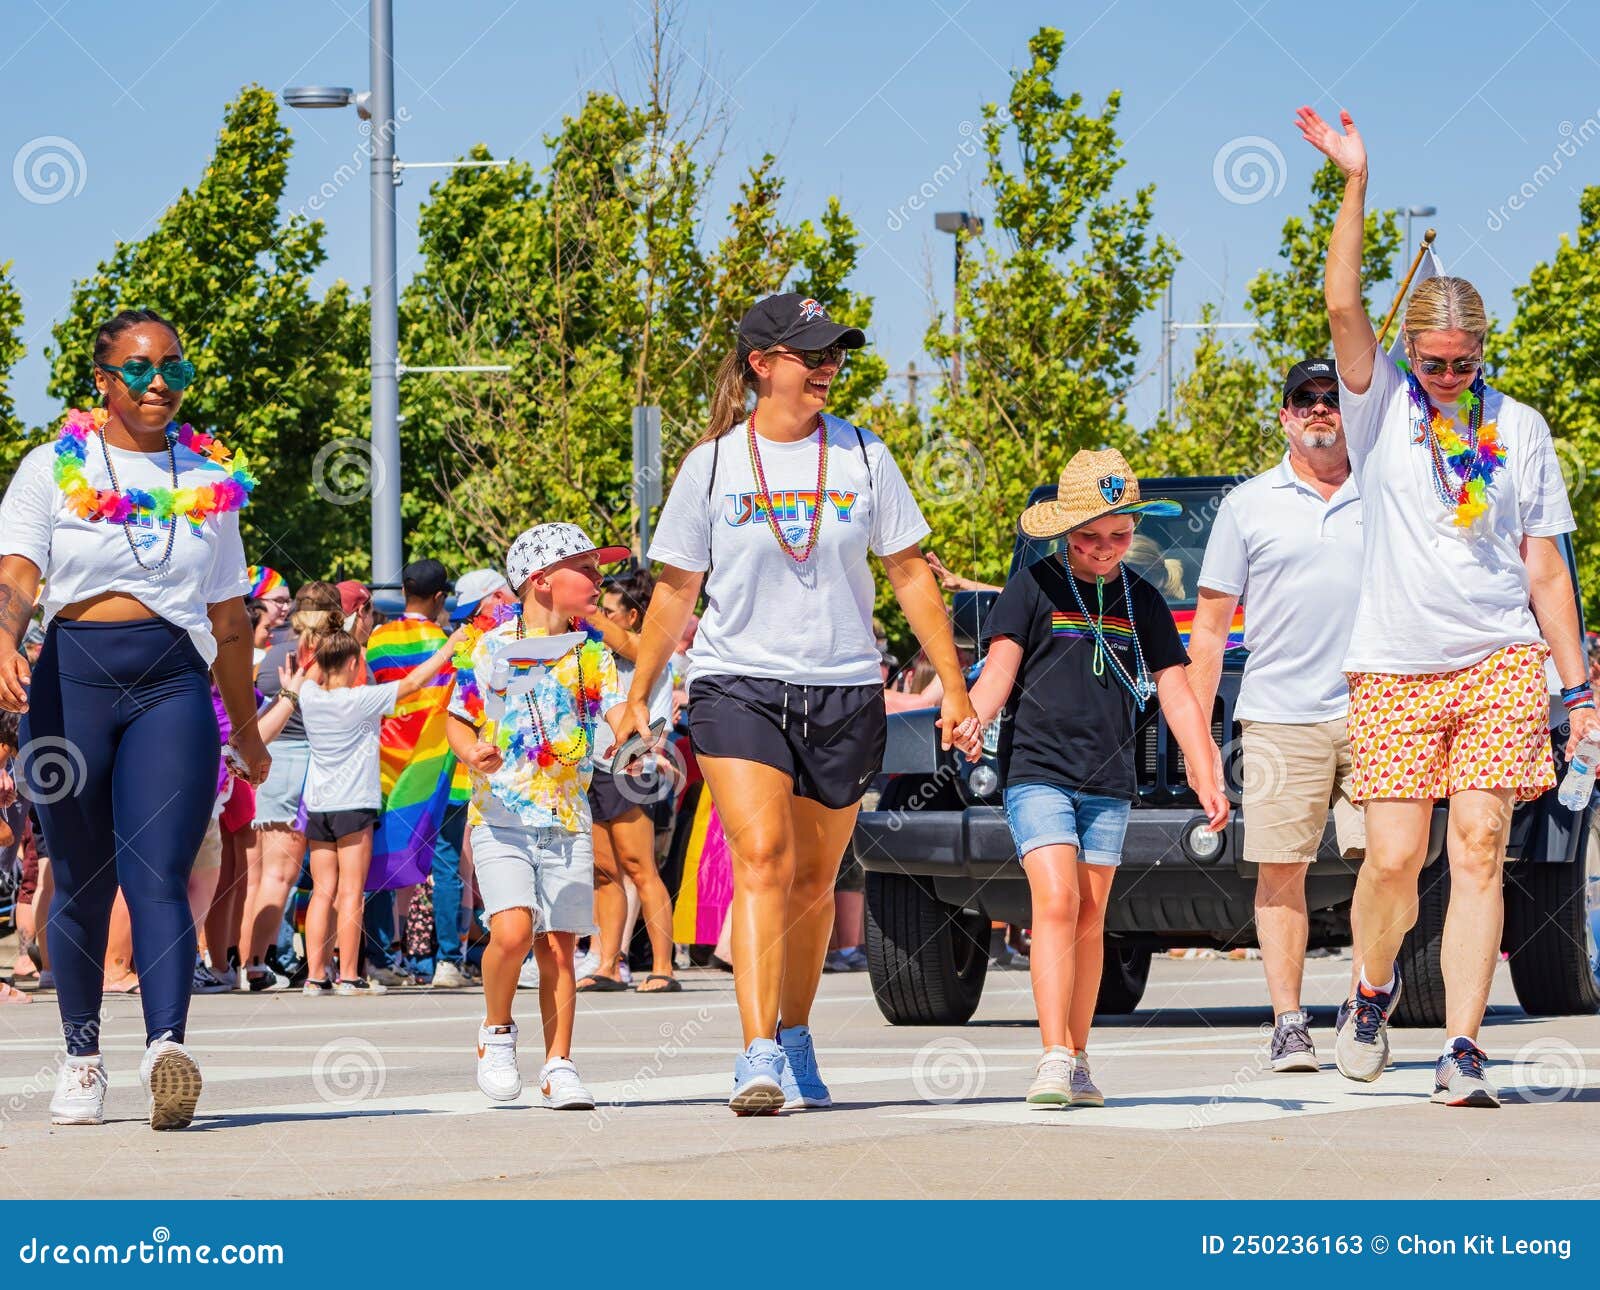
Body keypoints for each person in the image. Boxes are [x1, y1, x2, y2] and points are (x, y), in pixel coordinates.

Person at [609, 293, 980, 1114]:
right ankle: (756, 1051)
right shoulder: (711, 465)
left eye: (834, 353)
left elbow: (911, 573)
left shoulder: (863, 454)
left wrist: (954, 688)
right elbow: (675, 591)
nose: (826, 367)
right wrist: (639, 694)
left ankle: (799, 1031)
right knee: (765, 857)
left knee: (815, 880)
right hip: (738, 683)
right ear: (759, 365)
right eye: (808, 354)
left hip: (845, 686)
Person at [1298, 106, 1592, 1107]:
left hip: (1499, 660)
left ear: (1481, 353)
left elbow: (1544, 568)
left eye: (1463, 364)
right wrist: (1353, 183)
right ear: (1407, 354)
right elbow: (1342, 303)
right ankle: (1371, 988)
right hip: (1390, 663)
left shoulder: (1520, 429)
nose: (1448, 379)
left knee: (1478, 849)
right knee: (1394, 857)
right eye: (1432, 363)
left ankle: (1461, 1048)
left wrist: (1578, 685)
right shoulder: (1380, 407)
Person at [0, 308, 269, 1130]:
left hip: (172, 685)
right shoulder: (51, 468)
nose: (162, 384)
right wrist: (3, 639)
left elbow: (227, 618)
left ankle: (165, 1049)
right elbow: (16, 575)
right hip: (71, 677)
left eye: (176, 370)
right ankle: (82, 1056)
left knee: (160, 870)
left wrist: (247, 730)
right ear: (103, 381)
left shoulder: (210, 482)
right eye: (143, 369)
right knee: (81, 876)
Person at [966, 448, 1229, 1107]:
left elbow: (1176, 691)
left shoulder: (1143, 602)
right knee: (1054, 902)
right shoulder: (1035, 588)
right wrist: (971, 717)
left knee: (1088, 917)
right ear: (1064, 532)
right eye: (1089, 537)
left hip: (1109, 782)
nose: (1105, 549)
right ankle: (1053, 1056)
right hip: (1038, 774)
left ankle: (1079, 1058)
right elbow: (998, 672)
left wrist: (1205, 766)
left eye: (1119, 536)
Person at [1187, 358, 1366, 1072]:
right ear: (1285, 415)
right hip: (1278, 715)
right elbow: (1207, 628)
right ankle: (1290, 1021)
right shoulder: (1248, 504)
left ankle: (1364, 1005)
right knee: (1280, 870)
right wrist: (1199, 742)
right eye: (1306, 399)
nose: (1321, 409)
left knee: (1389, 863)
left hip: (1379, 710)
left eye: (1333, 398)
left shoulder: (1389, 493)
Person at [446, 523, 628, 1109]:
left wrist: (637, 737)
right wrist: (471, 749)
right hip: (500, 814)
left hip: (568, 816)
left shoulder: (593, 654)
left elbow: (616, 719)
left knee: (559, 946)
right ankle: (496, 1031)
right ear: (543, 581)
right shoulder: (489, 647)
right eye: (588, 569)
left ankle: (558, 1065)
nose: (599, 580)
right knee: (514, 931)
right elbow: (458, 718)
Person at [281, 624, 462, 995]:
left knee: (321, 891)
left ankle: (316, 976)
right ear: (351, 663)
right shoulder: (361, 699)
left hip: (318, 806)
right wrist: (449, 649)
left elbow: (315, 672)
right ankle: (350, 976)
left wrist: (329, 644)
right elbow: (413, 683)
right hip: (354, 806)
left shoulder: (310, 696)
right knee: (351, 891)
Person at [239, 582, 345, 990]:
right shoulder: (337, 653)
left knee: (264, 875)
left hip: (271, 761)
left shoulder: (271, 654)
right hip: (309, 764)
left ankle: (249, 961)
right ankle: (266, 964)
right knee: (303, 877)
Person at [579, 567, 679, 993]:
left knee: (641, 870)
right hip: (595, 767)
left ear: (634, 616)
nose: (599, 618)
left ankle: (663, 967)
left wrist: (586, 612)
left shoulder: (652, 655)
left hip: (632, 769)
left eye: (608, 611)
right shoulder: (598, 652)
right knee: (604, 871)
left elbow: (654, 721)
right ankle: (607, 963)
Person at [367, 559, 464, 986]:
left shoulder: (376, 638)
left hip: (388, 763)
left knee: (381, 856)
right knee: (445, 864)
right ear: (440, 598)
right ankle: (447, 961)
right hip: (438, 765)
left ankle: (379, 955)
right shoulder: (447, 642)